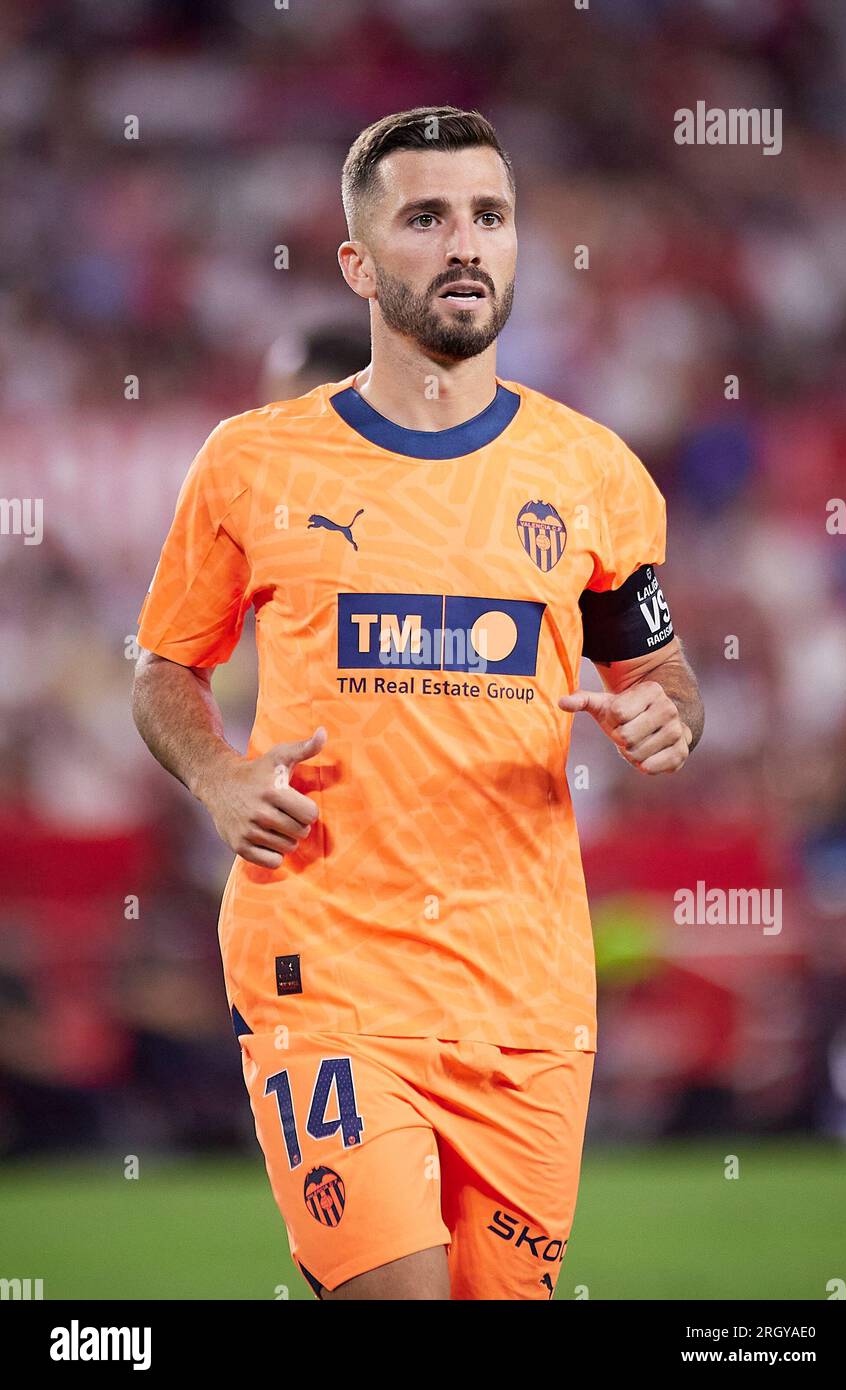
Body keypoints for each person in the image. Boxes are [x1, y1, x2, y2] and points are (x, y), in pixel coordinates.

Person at [132, 105, 704, 1301]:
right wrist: (219, 773)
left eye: (488, 217)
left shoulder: (589, 471)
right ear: (357, 262)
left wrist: (669, 714)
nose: (463, 244)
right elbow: (163, 666)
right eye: (425, 217)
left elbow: (654, 668)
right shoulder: (252, 461)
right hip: (327, 962)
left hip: (524, 981)